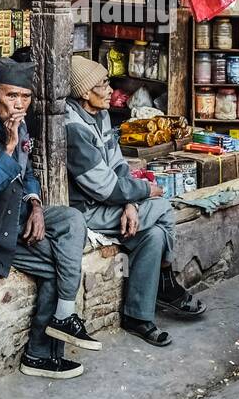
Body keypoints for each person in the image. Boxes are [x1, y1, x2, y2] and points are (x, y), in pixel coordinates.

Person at [0, 56, 97, 379]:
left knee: (72, 220)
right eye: (12, 96)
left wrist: (35, 203)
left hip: (14, 211)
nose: (19, 104)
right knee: (57, 263)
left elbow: (28, 174)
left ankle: (62, 317)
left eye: (25, 97)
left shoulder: (19, 123)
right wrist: (8, 150)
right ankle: (39, 354)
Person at [64, 57, 205, 347]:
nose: (109, 89)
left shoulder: (100, 115)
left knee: (152, 235)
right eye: (102, 84)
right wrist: (142, 192)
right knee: (163, 205)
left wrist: (131, 204)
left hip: (111, 201)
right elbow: (103, 187)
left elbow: (117, 165)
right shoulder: (73, 129)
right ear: (83, 93)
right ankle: (166, 281)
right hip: (86, 210)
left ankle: (137, 316)